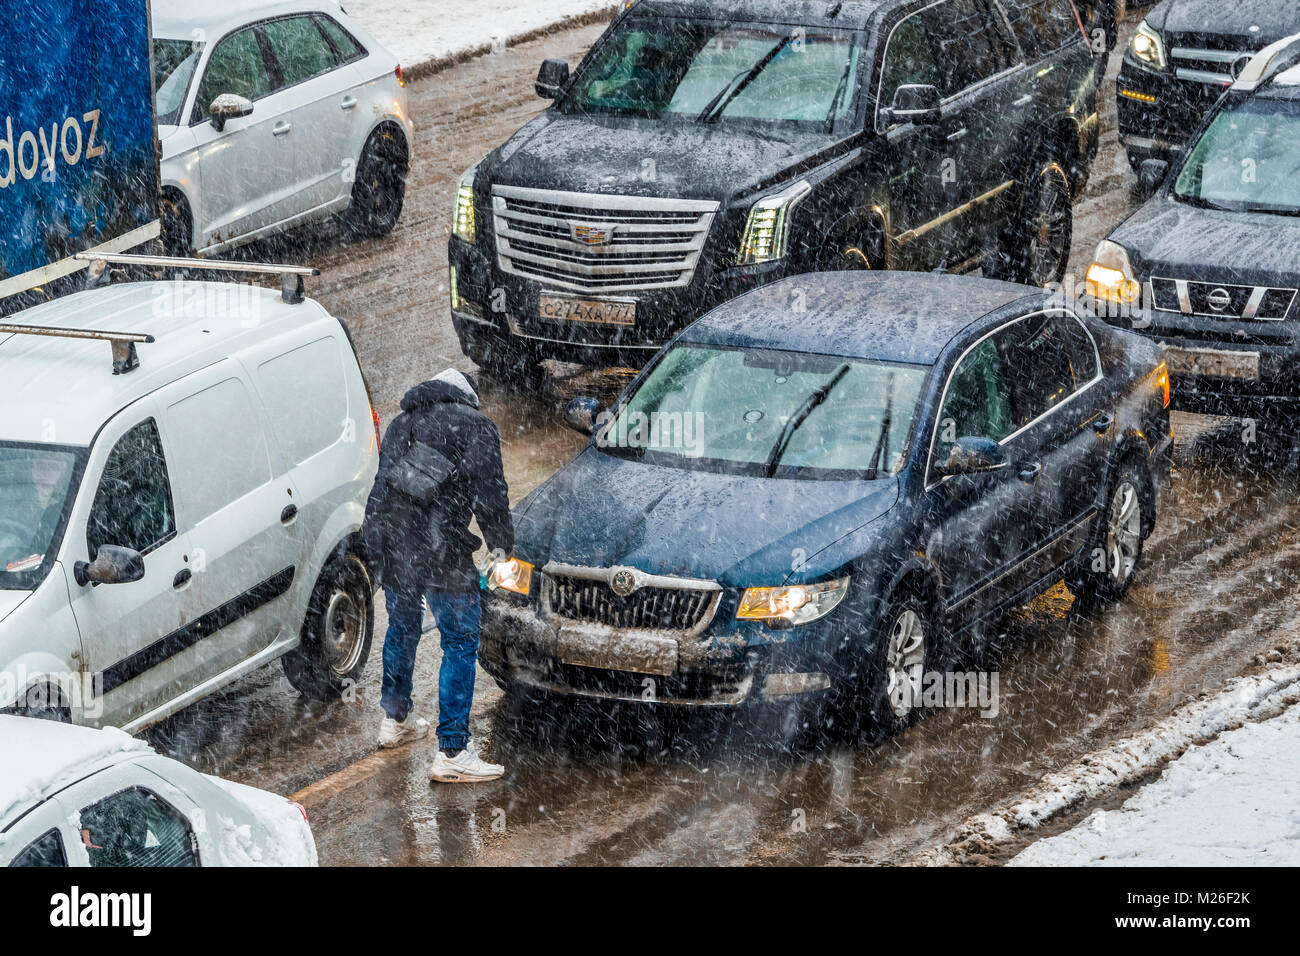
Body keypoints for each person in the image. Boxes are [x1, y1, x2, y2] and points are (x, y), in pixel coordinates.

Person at [363, 369, 513, 783]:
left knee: (403, 628)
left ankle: (395, 720)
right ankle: (452, 750)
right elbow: (492, 496)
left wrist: (376, 548)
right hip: (440, 548)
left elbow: (382, 487)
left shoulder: (400, 424)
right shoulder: (476, 425)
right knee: (461, 640)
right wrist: (502, 551)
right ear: (468, 397)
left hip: (394, 545)